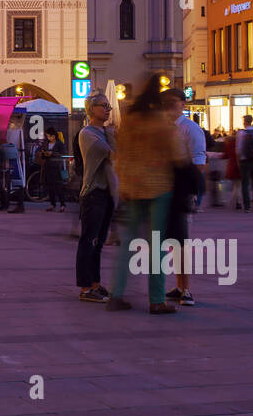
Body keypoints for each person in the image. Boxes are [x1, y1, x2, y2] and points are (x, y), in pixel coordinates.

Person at [108, 77, 181, 315]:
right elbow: (178, 155)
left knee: (127, 244)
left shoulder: (129, 120)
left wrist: (126, 180)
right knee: (156, 246)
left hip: (131, 188)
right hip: (158, 188)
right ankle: (157, 300)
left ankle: (116, 295)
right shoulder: (161, 122)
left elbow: (119, 154)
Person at [161, 90, 203, 306]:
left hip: (181, 193)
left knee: (181, 243)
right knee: (169, 243)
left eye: (173, 102)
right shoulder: (162, 128)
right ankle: (178, 285)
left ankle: (185, 288)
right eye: (165, 102)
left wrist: (191, 192)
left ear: (183, 104)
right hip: (162, 192)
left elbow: (199, 162)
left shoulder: (190, 129)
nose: (169, 106)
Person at [75, 92, 117, 303]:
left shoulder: (105, 131)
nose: (108, 109)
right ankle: (85, 287)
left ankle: (96, 284)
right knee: (89, 241)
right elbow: (112, 153)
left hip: (107, 192)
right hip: (93, 193)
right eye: (103, 106)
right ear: (91, 109)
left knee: (98, 242)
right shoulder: (87, 133)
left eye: (109, 105)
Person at [40, 127, 67, 211]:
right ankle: (52, 204)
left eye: (49, 136)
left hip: (57, 168)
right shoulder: (46, 143)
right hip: (48, 167)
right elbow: (43, 153)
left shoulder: (60, 144)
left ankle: (62, 205)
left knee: (59, 187)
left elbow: (62, 154)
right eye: (47, 136)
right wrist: (43, 154)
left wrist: (52, 154)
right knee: (50, 187)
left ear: (54, 136)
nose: (48, 138)